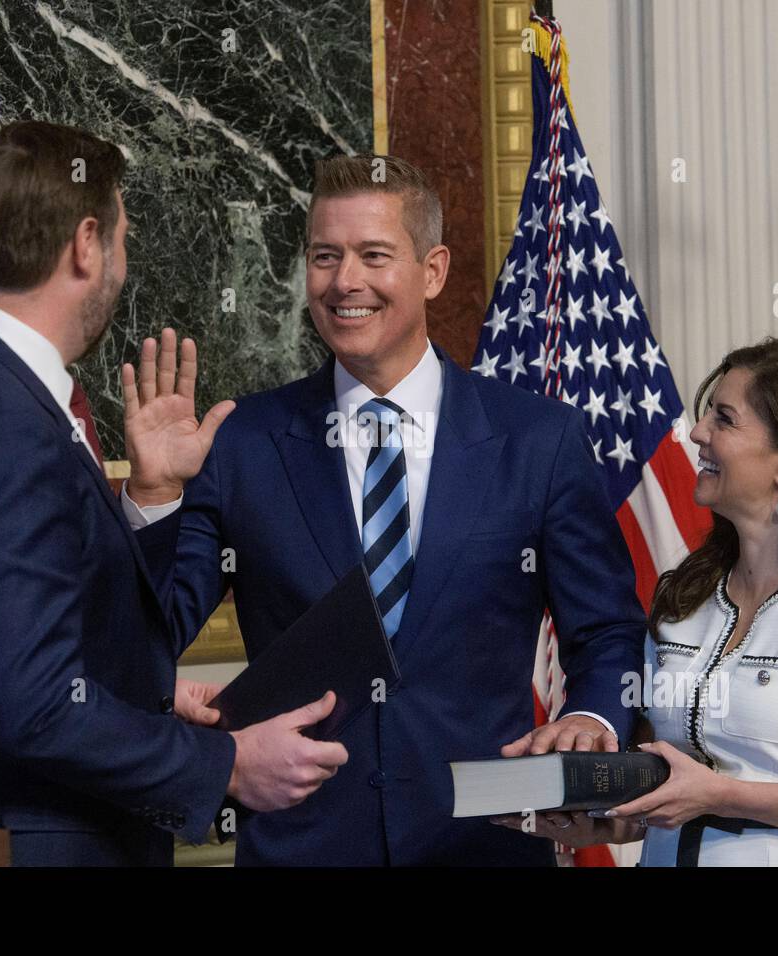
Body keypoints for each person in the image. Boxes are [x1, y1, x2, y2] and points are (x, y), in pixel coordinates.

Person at [0, 121, 347, 866]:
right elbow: (32, 705)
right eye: (123, 238)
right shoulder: (3, 423)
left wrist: (152, 493)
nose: (122, 264)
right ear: (84, 244)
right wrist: (226, 763)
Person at [121, 154, 645, 866]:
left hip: (485, 846)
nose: (345, 282)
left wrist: (589, 715)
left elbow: (608, 628)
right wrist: (155, 496)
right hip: (302, 847)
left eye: (373, 255)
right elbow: (154, 628)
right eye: (324, 256)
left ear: (432, 271)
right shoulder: (242, 440)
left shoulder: (537, 439)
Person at [496, 338, 778, 865]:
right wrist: (598, 814)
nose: (698, 432)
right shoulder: (688, 598)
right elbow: (673, 782)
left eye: (724, 419)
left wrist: (723, 795)